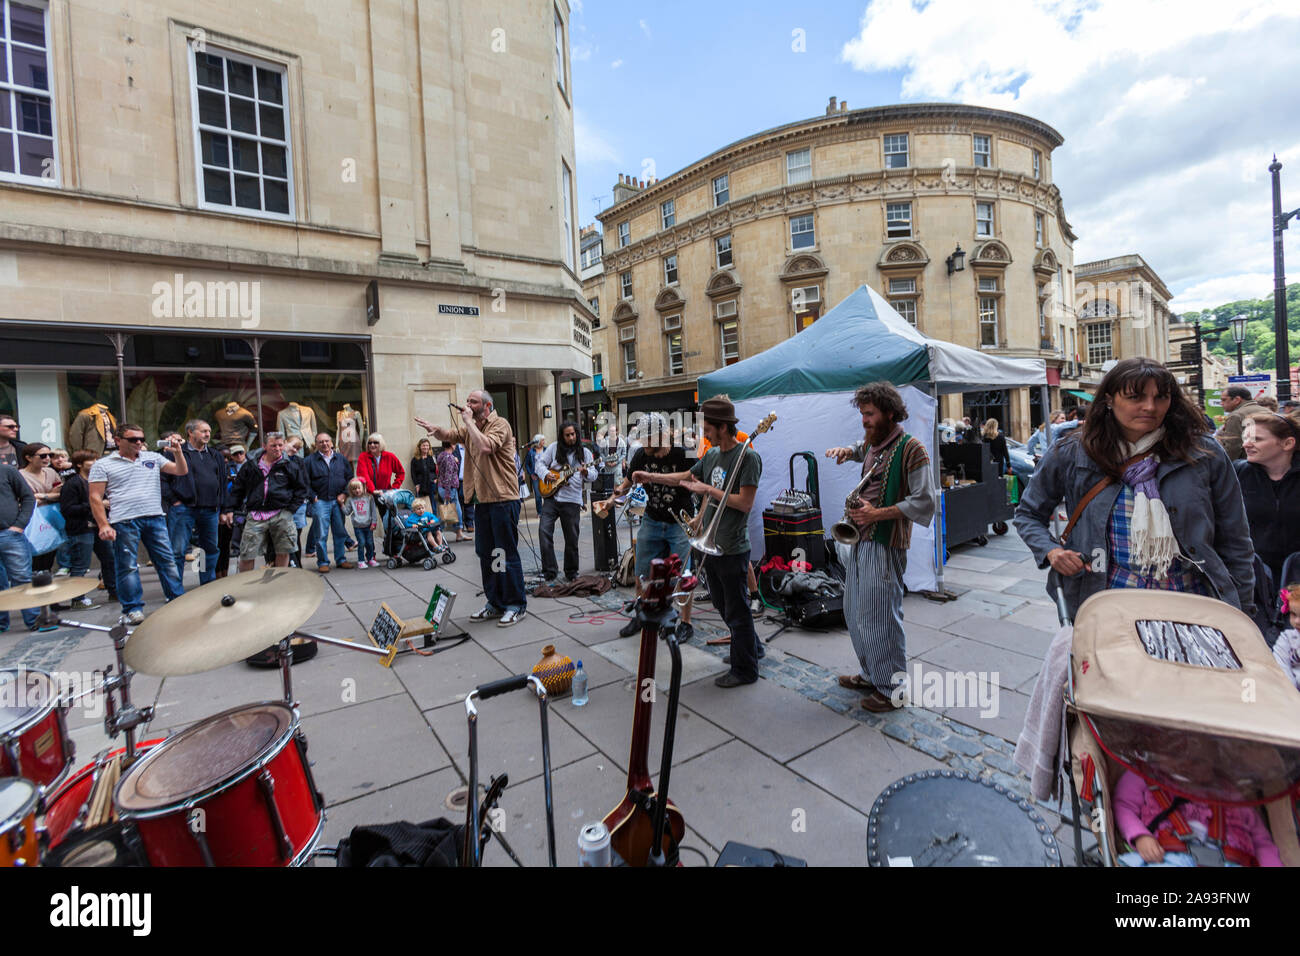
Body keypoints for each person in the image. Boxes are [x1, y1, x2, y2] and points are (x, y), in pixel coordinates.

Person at [1015, 358, 1255, 624]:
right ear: (1109, 399)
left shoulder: (1203, 453)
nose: (1150, 407)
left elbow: (1235, 540)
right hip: (1106, 604)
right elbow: (1028, 514)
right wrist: (1052, 551)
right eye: (1135, 397)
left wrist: (1242, 613)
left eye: (1160, 397)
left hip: (1193, 603)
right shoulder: (1072, 452)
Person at [634, 396, 762, 688]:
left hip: (732, 545)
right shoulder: (714, 454)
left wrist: (707, 489)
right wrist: (650, 475)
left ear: (721, 426)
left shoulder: (747, 457)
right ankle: (751, 648)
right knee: (721, 603)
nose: (702, 430)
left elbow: (744, 503)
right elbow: (685, 477)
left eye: (707, 425)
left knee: (737, 607)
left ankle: (745, 670)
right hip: (711, 543)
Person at [825, 383, 937, 712]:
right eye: (862, 414)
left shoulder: (912, 448)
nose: (864, 420)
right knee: (855, 611)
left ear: (889, 412)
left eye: (870, 414)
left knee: (881, 616)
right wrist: (847, 451)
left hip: (886, 543)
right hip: (862, 538)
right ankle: (870, 673)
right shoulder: (876, 443)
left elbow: (925, 500)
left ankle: (892, 689)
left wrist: (877, 513)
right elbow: (863, 449)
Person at [416, 391, 526, 626]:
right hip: (482, 501)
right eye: (466, 401)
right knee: (487, 554)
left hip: (502, 499)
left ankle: (515, 604)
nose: (467, 405)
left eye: (472, 402)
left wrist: (467, 421)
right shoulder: (471, 428)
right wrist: (437, 430)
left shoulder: (500, 424)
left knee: (504, 554)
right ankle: (495, 602)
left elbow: (485, 446)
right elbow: (451, 435)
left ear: (487, 405)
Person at [605, 413, 695, 641]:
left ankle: (685, 622)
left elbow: (694, 480)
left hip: (679, 521)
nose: (645, 446)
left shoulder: (684, 451)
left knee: (683, 575)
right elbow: (626, 484)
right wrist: (611, 498)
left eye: (650, 442)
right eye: (643, 441)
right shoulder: (640, 454)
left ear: (662, 436)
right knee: (641, 572)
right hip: (652, 519)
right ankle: (641, 614)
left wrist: (701, 518)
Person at [89, 425, 188, 625]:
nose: (139, 443)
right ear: (118, 440)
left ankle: (177, 600)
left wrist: (178, 453)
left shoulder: (151, 457)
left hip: (154, 516)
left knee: (167, 561)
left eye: (141, 439)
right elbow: (95, 497)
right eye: (133, 439)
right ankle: (132, 608)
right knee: (127, 567)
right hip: (124, 520)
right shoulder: (103, 464)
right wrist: (103, 525)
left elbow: (180, 470)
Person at [1113, 769, 1281, 867]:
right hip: (1169, 856)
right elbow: (1124, 805)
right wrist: (1140, 836)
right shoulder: (1143, 773)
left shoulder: (1230, 792)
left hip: (1230, 860)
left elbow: (1261, 841)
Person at [226, 431, 311, 574]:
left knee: (283, 550)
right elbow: (238, 489)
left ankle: (279, 582)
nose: (277, 449)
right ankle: (245, 584)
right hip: (256, 514)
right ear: (265, 446)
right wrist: (230, 509)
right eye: (273, 445)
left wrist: (290, 509)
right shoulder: (251, 465)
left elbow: (302, 489)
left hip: (281, 514)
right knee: (247, 553)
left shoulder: (290, 465)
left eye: (280, 445)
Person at [1236, 412, 1300, 591]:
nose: (1246, 444)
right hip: (1255, 575)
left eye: (1256, 439)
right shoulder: (1238, 473)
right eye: (1246, 437)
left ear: (1287, 443)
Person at [163, 419, 226, 588]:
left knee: (208, 551)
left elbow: (222, 481)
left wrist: (223, 508)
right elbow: (163, 480)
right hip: (184, 509)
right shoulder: (175, 452)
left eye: (209, 431)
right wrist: (174, 501)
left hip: (210, 509)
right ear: (190, 433)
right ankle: (174, 590)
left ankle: (206, 584)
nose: (207, 434)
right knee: (178, 551)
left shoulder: (215, 455)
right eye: (203, 431)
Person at [534, 420, 597, 582]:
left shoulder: (584, 453)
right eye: (567, 435)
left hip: (572, 500)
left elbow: (594, 473)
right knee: (544, 531)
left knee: (571, 538)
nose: (571, 438)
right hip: (552, 498)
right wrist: (545, 474)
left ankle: (571, 572)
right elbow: (539, 463)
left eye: (573, 434)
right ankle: (549, 571)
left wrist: (586, 473)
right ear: (562, 436)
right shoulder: (554, 448)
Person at [59, 451, 116, 609]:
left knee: (110, 558)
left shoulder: (97, 481)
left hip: (100, 526)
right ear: (79, 464)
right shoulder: (72, 484)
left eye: (96, 459)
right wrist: (96, 505)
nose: (96, 462)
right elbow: (68, 509)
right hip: (81, 529)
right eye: (91, 460)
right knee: (80, 564)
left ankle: (114, 590)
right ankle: (77, 599)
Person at [304, 432, 355, 573]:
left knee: (340, 532)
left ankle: (341, 560)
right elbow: (304, 482)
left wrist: (345, 494)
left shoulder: (341, 459)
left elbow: (350, 478)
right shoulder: (309, 461)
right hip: (320, 502)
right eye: (321, 442)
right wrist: (313, 497)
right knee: (321, 534)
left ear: (331, 442)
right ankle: (323, 562)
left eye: (327, 441)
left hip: (338, 501)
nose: (324, 444)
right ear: (316, 444)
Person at [0, 461, 40, 632]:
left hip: (10, 533)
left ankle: (35, 620)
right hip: (11, 532)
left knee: (22, 578)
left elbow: (28, 497)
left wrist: (19, 525)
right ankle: (1, 623)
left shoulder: (6, 471)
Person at [20, 443, 63, 573]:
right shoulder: (20, 475)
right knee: (35, 552)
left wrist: (43, 496)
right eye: (43, 456)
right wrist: (50, 495)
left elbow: (61, 493)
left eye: (50, 455)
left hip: (51, 516)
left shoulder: (50, 472)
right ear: (29, 458)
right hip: (32, 518)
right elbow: (25, 499)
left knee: (51, 549)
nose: (47, 459)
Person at [214, 444, 247, 579]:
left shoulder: (231, 471)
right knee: (206, 549)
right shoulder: (212, 471)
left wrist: (227, 511)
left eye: (229, 458)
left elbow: (231, 495)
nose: (227, 461)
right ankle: (208, 578)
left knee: (224, 546)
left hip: (228, 513)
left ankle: (223, 575)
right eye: (223, 458)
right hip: (209, 513)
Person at [1216, 385, 1267, 461]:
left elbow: (1232, 447)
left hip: (1246, 464)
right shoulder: (1267, 411)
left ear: (1237, 399)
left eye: (1224, 400)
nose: (1221, 403)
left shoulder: (1236, 416)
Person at [434, 441, 466, 540]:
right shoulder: (449, 458)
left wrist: (456, 461)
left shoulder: (442, 455)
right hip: (449, 488)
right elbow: (448, 476)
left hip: (444, 487)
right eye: (454, 443)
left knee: (450, 510)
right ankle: (436, 530)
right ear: (452, 445)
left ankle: (458, 532)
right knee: (448, 511)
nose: (456, 445)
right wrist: (448, 492)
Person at [345, 479, 378, 568]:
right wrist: (341, 505)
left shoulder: (369, 497)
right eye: (354, 489)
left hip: (368, 525)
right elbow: (347, 512)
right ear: (351, 490)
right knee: (362, 543)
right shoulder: (350, 500)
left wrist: (374, 523)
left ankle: (370, 558)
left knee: (370, 543)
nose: (357, 490)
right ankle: (361, 560)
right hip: (358, 526)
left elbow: (373, 511)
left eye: (359, 488)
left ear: (363, 487)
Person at [596, 421, 627, 497]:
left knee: (617, 482)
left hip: (617, 465)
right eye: (610, 431)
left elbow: (624, 453)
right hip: (607, 465)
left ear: (616, 431)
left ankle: (616, 498)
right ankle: (610, 498)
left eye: (613, 431)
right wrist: (606, 460)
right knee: (608, 482)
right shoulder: (604, 441)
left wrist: (617, 462)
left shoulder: (621, 442)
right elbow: (601, 452)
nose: (612, 432)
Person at [524, 434, 546, 514]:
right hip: (535, 476)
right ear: (538, 441)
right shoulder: (531, 452)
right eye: (542, 440)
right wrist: (531, 474)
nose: (544, 442)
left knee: (547, 494)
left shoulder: (546, 450)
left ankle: (547, 511)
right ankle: (539, 512)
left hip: (545, 475)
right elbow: (527, 464)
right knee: (538, 495)